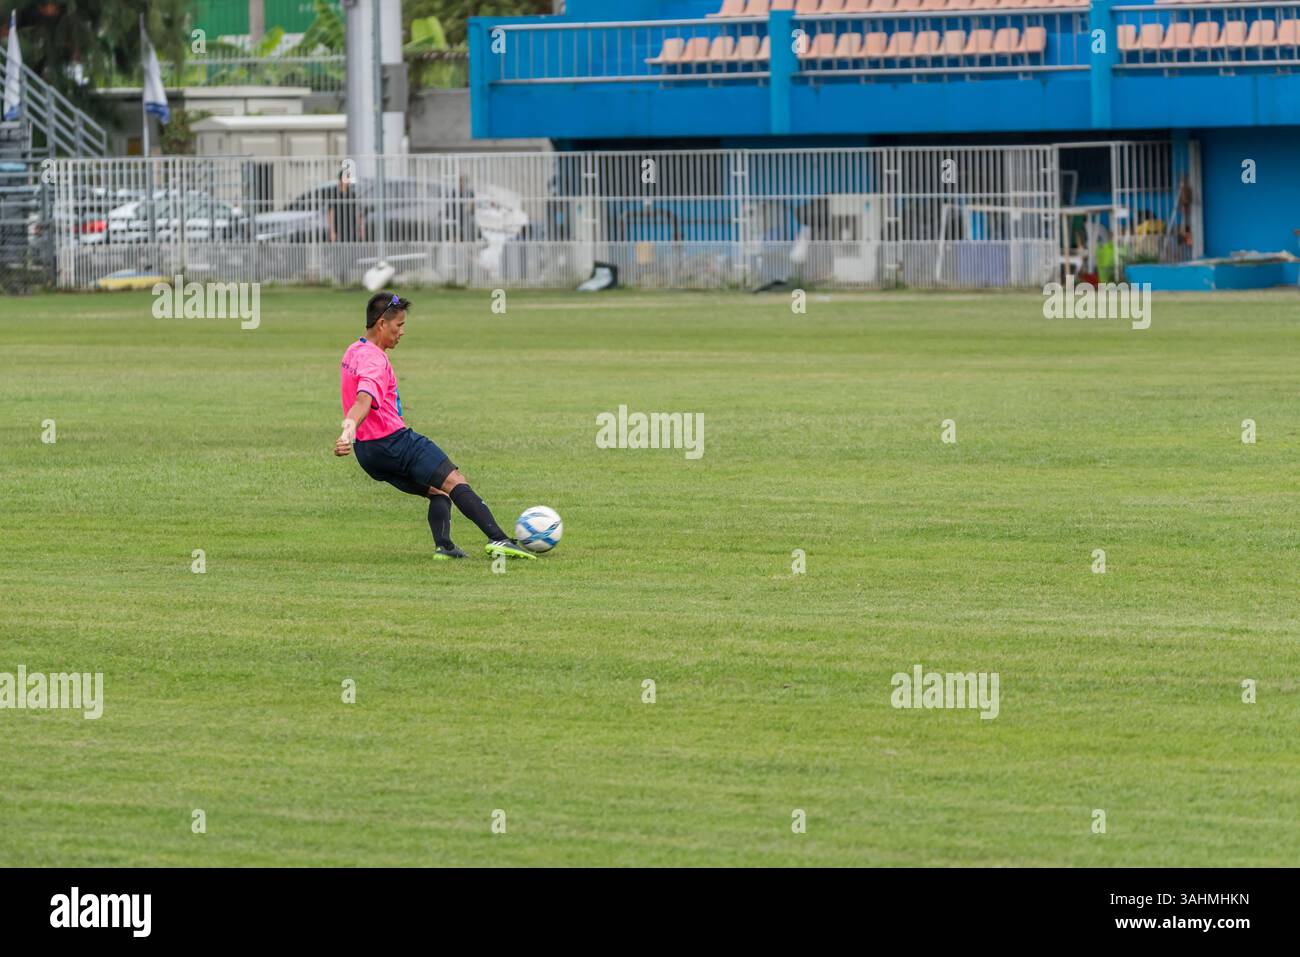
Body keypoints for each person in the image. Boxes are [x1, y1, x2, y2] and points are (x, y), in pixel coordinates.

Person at [333, 292, 536, 561]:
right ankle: (498, 539)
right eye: (399, 325)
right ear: (382, 323)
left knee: (437, 490)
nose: (402, 332)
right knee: (455, 481)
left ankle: (445, 547)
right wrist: (347, 430)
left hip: (369, 454)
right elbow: (363, 399)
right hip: (394, 442)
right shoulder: (375, 359)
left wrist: (351, 434)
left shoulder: (353, 350)